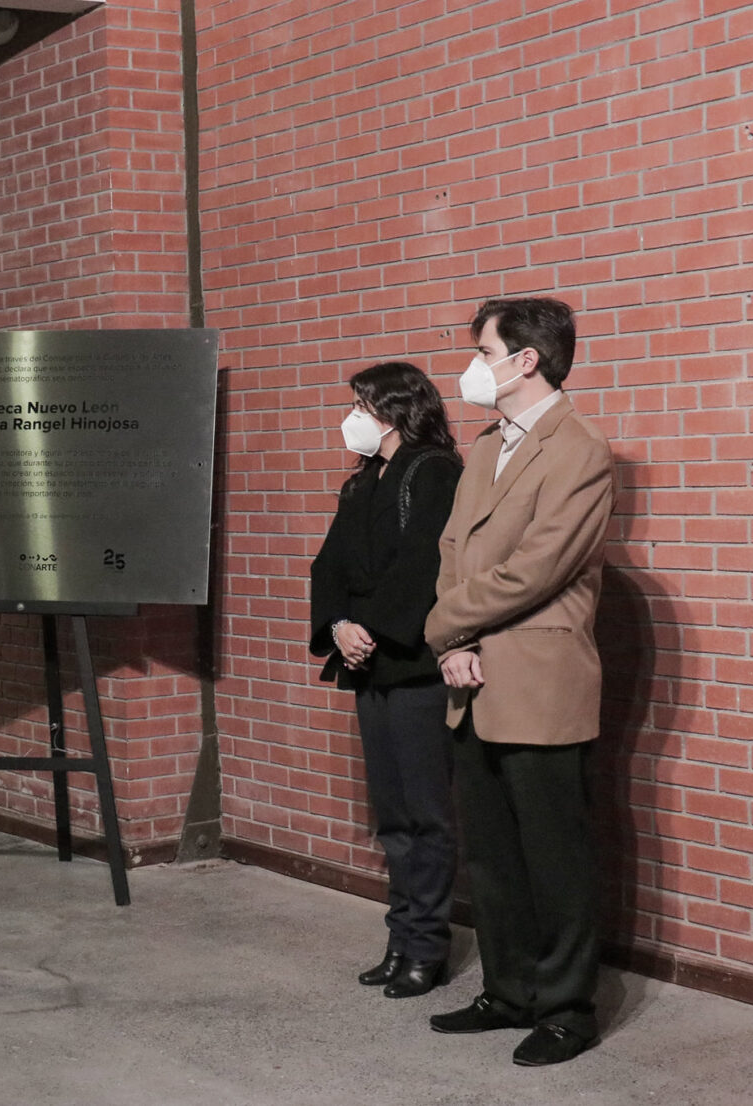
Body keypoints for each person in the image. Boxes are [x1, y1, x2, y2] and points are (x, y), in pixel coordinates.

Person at [423, 297, 615, 1066]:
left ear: (526, 359)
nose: (474, 366)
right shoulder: (483, 446)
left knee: (554, 857)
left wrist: (444, 627)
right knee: (495, 856)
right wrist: (453, 648)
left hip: (538, 682)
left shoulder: (580, 449)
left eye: (485, 350)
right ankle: (508, 992)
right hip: (470, 678)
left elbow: (536, 569)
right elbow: (453, 553)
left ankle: (568, 1009)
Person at [310, 361, 463, 1000]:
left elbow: (423, 564)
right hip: (368, 660)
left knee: (427, 814)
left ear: (396, 410)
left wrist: (367, 626)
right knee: (392, 815)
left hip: (413, 662)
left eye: (362, 405)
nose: (353, 418)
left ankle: (427, 946)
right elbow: (330, 564)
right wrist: (341, 623)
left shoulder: (435, 471)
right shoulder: (363, 481)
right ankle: (400, 941)